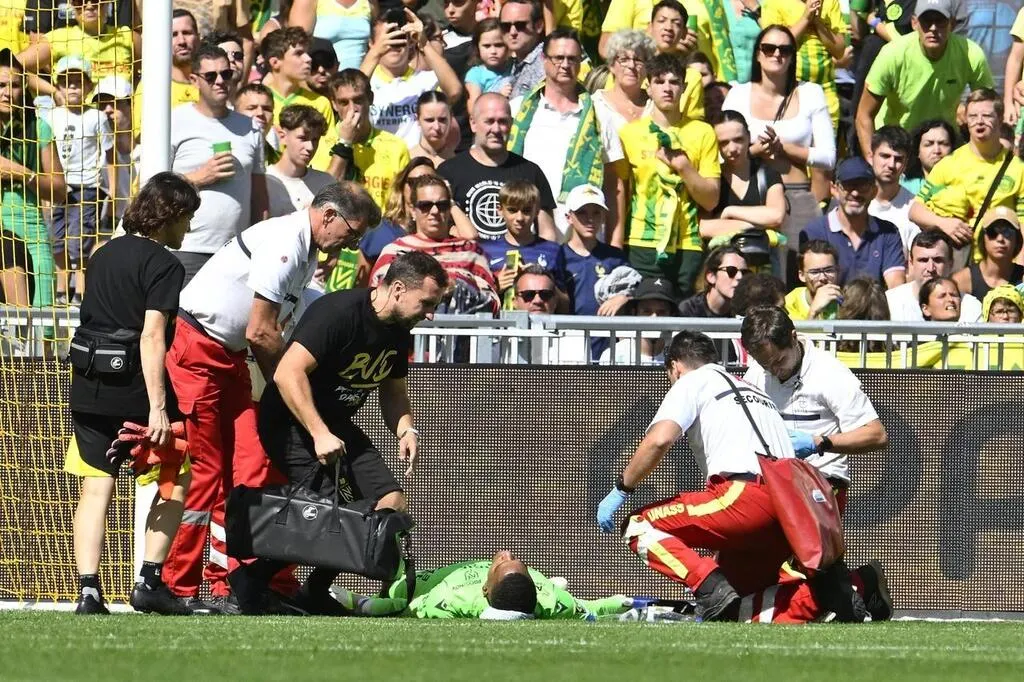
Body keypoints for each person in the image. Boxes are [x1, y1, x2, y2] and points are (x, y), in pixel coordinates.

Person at [160, 182, 380, 607]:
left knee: (247, 474)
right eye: (352, 233)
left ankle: (230, 585)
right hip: (200, 351)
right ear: (328, 214)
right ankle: (177, 588)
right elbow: (261, 331)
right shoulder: (286, 241)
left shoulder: (305, 249)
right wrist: (289, 392)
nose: (352, 244)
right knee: (209, 473)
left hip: (229, 358)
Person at [227, 251, 447, 615]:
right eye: (426, 303)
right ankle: (249, 581)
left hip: (337, 426)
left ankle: (313, 592)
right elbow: (286, 374)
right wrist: (318, 433)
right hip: (291, 423)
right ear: (396, 289)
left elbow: (393, 391)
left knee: (390, 505)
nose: (430, 314)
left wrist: (406, 428)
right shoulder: (339, 312)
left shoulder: (398, 330)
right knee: (339, 513)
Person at [596, 330, 867, 623]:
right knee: (736, 609)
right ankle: (854, 586)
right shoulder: (757, 392)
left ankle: (708, 587)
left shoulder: (691, 382)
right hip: (788, 509)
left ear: (675, 367)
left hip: (744, 496)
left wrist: (622, 488)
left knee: (638, 525)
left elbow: (659, 441)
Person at [66, 172, 201, 615]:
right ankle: (149, 582)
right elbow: (151, 337)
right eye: (186, 219)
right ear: (170, 216)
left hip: (87, 386)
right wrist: (158, 408)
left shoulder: (101, 254)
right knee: (174, 480)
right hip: (135, 392)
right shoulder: (165, 264)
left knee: (96, 486)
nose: (188, 230)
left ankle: (88, 591)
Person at [741, 305, 888, 512]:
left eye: (779, 361)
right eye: (766, 365)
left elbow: (876, 434)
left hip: (822, 481)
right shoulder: (757, 373)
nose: (774, 371)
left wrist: (819, 442)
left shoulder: (831, 373)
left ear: (793, 337)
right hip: (772, 481)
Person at [722, 25, 835, 283]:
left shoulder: (810, 92)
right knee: (747, 274)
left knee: (799, 276)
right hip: (751, 196)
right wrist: (754, 151)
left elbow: (828, 156)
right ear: (758, 55)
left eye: (785, 49)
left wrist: (783, 147)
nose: (777, 54)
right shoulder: (738, 94)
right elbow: (721, 152)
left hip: (797, 195)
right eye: (769, 48)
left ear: (793, 56)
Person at [616, 52, 720, 295]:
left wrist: (684, 167)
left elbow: (711, 199)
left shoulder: (702, 132)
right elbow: (620, 191)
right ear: (648, 87)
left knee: (682, 321)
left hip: (687, 245)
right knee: (644, 317)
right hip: (641, 242)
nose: (667, 88)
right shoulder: (629, 134)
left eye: (674, 82)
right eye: (659, 81)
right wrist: (616, 242)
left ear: (684, 87)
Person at [171, 43, 269, 286]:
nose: (220, 81)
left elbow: (259, 198)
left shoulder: (250, 127)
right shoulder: (174, 120)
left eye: (226, 74)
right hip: (185, 248)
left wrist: (261, 247)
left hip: (236, 252)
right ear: (194, 80)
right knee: (180, 323)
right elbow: (152, 185)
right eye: (211, 76)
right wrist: (197, 178)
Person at [854, 0, 991, 160]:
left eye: (939, 21)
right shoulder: (892, 54)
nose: (933, 28)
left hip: (942, 145)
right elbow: (863, 115)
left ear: (952, 24)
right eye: (927, 21)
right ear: (914, 23)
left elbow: (988, 107)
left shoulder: (971, 54)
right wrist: (873, 161)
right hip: (897, 147)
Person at [508, 28, 611, 240]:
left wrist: (615, 241)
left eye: (572, 59)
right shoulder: (517, 110)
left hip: (582, 238)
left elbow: (613, 183)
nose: (565, 65)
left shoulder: (600, 113)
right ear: (544, 60)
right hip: (527, 229)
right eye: (558, 58)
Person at [330, 550, 631, 619]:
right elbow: (592, 608)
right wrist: (630, 603)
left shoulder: (451, 599)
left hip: (427, 582)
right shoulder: (553, 599)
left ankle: (344, 598)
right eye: (516, 561)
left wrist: (361, 603)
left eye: (501, 563)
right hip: (550, 586)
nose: (505, 554)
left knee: (397, 595)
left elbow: (404, 610)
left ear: (485, 591)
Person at [911, 89, 1024, 271]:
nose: (979, 122)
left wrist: (1019, 273)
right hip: (956, 265)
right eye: (973, 116)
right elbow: (916, 210)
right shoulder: (948, 164)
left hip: (997, 269)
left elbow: (1022, 225)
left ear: (1000, 117)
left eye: (987, 115)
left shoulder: (1017, 169)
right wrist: (944, 223)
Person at [370, 175, 500, 314]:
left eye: (442, 205)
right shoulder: (395, 252)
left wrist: (459, 286)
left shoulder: (472, 252)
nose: (435, 211)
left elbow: (493, 304)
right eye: (425, 206)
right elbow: (378, 300)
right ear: (413, 210)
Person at [437, 93, 557, 242]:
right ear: (473, 123)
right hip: (465, 261)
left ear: (511, 124)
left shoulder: (531, 172)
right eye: (489, 121)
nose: (496, 129)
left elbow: (547, 234)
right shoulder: (448, 172)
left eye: (502, 121)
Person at [0, 47, 64, 312]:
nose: (6, 92)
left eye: (14, 85)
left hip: (32, 232)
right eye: (1, 85)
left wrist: (22, 173)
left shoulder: (38, 128)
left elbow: (59, 191)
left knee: (40, 329)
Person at [48, 55, 113, 304]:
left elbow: (109, 153)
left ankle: (81, 291)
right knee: (57, 240)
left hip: (87, 185)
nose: (73, 87)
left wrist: (112, 190)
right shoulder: (51, 116)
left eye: (78, 82)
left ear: (89, 86)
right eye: (67, 82)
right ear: (59, 87)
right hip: (57, 186)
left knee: (79, 241)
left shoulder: (96, 117)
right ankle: (62, 288)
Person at [360, 9, 463, 149]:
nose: (394, 43)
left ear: (410, 41)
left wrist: (424, 43)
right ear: (372, 43)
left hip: (418, 164)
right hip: (377, 164)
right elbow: (353, 95)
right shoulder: (367, 80)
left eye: (400, 37)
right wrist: (375, 52)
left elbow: (454, 91)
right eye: (388, 37)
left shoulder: (427, 80)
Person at [800, 156, 906, 289]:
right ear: (834, 189)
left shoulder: (888, 232)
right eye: (848, 186)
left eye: (863, 186)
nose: (855, 193)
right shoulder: (815, 232)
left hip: (875, 307)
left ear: (874, 191)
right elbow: (815, 287)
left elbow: (896, 286)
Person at [326, 69, 411, 211]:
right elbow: (323, 197)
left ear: (370, 98)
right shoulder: (321, 143)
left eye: (358, 100)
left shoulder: (396, 147)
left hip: (384, 228)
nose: (352, 109)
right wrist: (344, 143)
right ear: (334, 104)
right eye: (343, 103)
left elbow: (404, 204)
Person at [699, 110, 786, 241]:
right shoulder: (712, 179)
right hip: (723, 259)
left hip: (761, 257)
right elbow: (704, 228)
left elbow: (776, 216)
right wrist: (759, 227)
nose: (732, 148)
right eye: (724, 143)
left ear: (749, 137)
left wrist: (729, 211)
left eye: (738, 140)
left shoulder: (766, 174)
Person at [261, 27, 338, 172]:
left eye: (307, 53)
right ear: (275, 62)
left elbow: (326, 152)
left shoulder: (320, 103)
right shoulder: (257, 103)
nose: (308, 59)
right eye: (298, 54)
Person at [484, 179, 566, 309]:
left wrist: (542, 282)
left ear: (537, 211)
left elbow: (565, 303)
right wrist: (496, 285)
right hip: (497, 327)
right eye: (512, 210)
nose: (520, 218)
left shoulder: (552, 250)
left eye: (527, 211)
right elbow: (475, 301)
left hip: (540, 326)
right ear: (499, 210)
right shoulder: (485, 250)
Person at [886, 231, 982, 322]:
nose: (931, 268)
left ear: (951, 264)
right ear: (911, 263)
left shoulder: (970, 307)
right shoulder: (890, 303)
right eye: (923, 260)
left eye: (938, 260)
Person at [265, 104, 334, 217]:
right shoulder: (264, 181)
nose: (310, 147)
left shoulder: (326, 183)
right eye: (303, 138)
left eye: (315, 140)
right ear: (282, 137)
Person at [951, 207, 1024, 302]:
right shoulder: (962, 281)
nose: (1000, 239)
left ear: (1017, 239)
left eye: (1007, 232)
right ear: (983, 238)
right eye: (992, 232)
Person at [599, 277, 676, 366]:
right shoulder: (613, 355)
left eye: (661, 312)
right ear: (634, 312)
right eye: (647, 311)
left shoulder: (680, 356)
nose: (654, 318)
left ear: (671, 315)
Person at [868, 126, 916, 252]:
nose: (891, 165)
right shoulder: (855, 202)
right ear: (870, 157)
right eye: (885, 156)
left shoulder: (915, 207)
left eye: (898, 159)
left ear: (905, 164)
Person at [677, 246, 748, 318]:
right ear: (711, 276)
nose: (740, 277)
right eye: (731, 271)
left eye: (744, 273)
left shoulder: (746, 311)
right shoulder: (688, 311)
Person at [784, 239, 842, 320]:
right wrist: (813, 312)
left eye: (829, 270)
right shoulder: (790, 303)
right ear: (802, 275)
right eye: (815, 272)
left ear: (838, 271)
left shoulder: (848, 301)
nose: (823, 278)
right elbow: (795, 332)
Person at [464, 17, 511, 114]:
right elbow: (473, 108)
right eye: (487, 46)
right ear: (478, 47)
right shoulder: (476, 74)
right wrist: (498, 96)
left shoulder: (514, 66)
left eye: (499, 45)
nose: (493, 51)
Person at [900, 119, 955, 197]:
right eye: (929, 144)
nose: (937, 150)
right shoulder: (902, 188)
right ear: (917, 151)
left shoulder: (964, 184)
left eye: (943, 144)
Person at [409, 90, 456, 166]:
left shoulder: (457, 161)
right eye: (429, 120)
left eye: (442, 120)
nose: (437, 127)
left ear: (450, 118)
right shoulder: (407, 160)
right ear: (417, 120)